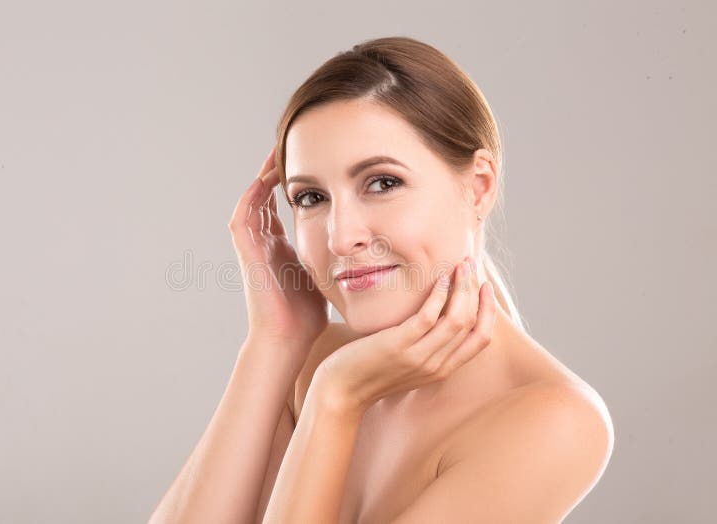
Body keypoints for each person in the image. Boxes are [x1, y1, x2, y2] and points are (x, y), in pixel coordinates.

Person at [149, 36, 614, 524]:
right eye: (310, 197)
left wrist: (337, 400)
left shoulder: (552, 422)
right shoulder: (311, 362)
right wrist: (274, 342)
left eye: (383, 183)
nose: (341, 236)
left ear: (478, 187)